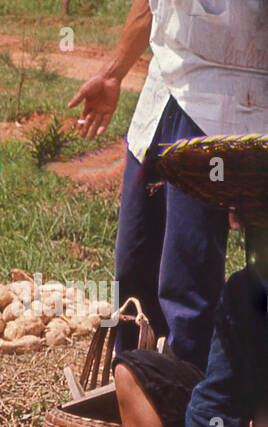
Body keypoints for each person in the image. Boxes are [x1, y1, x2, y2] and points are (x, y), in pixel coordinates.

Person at [69, 0, 268, 368]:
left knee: (187, 287)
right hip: (161, 98)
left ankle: (187, 401)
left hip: (224, 107)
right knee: (134, 268)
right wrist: (113, 73)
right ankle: (132, 386)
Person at [111, 136, 268, 427]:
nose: (244, 221)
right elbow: (220, 395)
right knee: (135, 371)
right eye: (244, 211)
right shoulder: (244, 294)